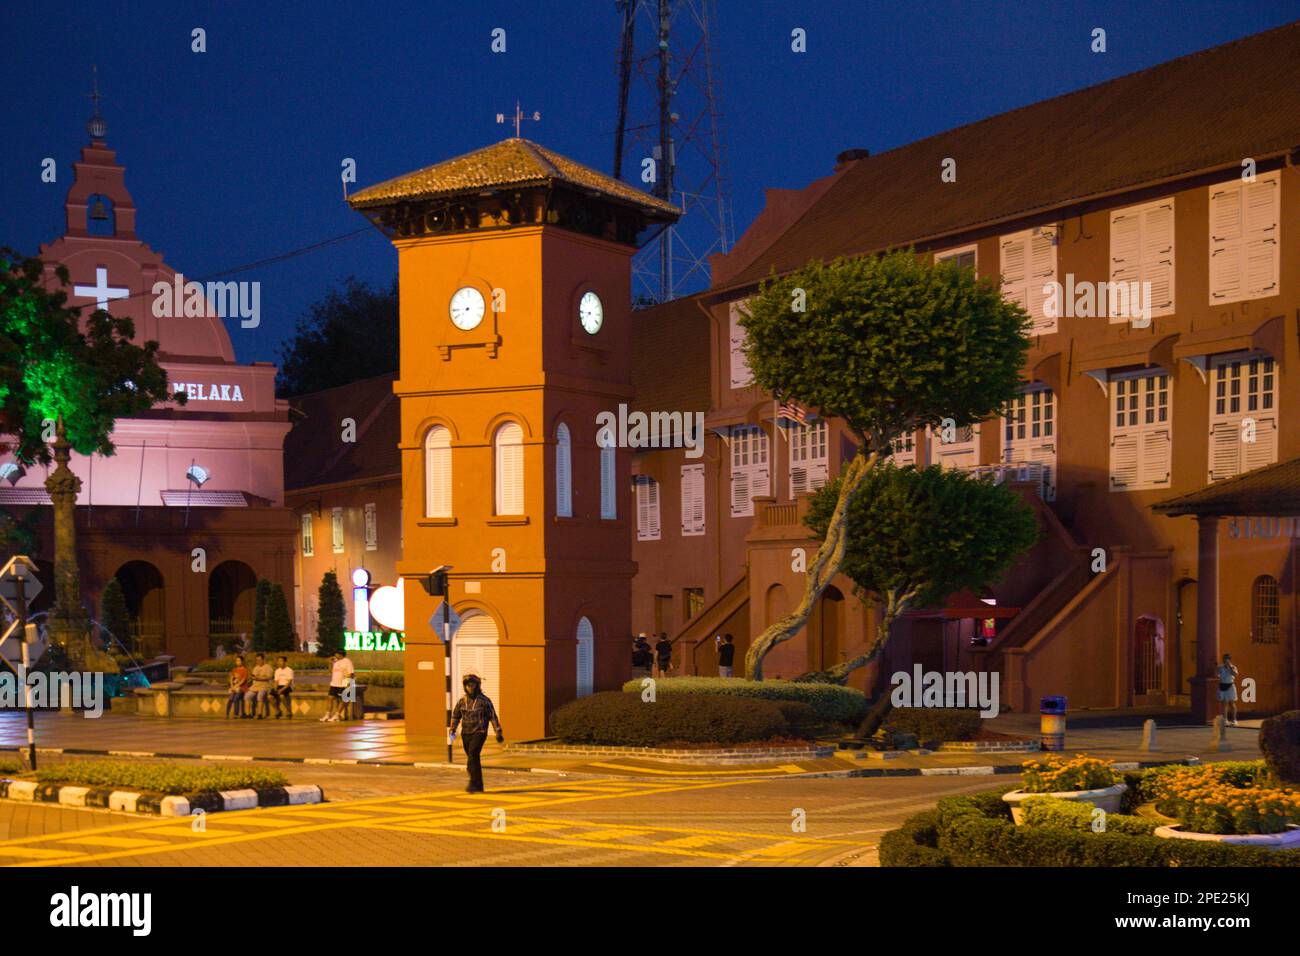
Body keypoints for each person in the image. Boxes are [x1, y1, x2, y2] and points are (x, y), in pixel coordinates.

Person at [449, 673, 503, 793]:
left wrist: (498, 732)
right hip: (466, 733)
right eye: (468, 685)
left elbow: (493, 716)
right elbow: (456, 716)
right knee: (473, 760)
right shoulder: (462, 701)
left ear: (477, 685)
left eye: (472, 684)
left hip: (479, 732)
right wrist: (452, 730)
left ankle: (473, 783)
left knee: (472, 755)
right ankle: (479, 784)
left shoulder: (484, 701)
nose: (470, 687)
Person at [322, 650, 355, 722]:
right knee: (330, 698)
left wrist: (348, 684)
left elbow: (351, 673)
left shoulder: (347, 661)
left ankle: (337, 715)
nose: (335, 655)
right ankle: (327, 715)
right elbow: (331, 671)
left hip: (343, 683)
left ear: (340, 654)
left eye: (336, 654)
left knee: (342, 700)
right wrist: (330, 663)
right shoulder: (335, 662)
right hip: (334, 684)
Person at [248, 653, 274, 719]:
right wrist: (253, 677)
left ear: (263, 660)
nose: (258, 661)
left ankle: (260, 714)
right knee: (247, 696)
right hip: (255, 686)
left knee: (260, 695)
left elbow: (269, 677)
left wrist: (259, 678)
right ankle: (248, 714)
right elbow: (253, 676)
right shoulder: (256, 667)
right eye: (257, 660)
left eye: (259, 660)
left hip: (264, 686)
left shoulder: (268, 667)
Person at [1217, 653, 1240, 727]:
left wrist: (1230, 667)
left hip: (1230, 686)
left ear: (1229, 660)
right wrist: (1218, 673)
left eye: (1227, 659)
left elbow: (1236, 674)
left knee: (1232, 703)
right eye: (1224, 659)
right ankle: (1225, 720)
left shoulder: (1233, 667)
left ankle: (1234, 720)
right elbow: (1217, 674)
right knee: (1224, 703)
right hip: (1222, 685)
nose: (1225, 660)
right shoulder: (1220, 667)